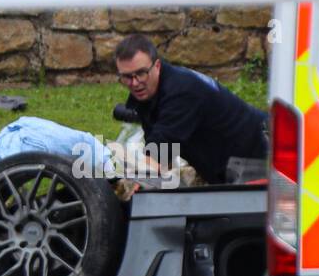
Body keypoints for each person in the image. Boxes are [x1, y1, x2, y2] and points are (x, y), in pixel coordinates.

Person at [114, 34, 268, 184]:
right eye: (126, 77)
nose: (134, 83)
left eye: (141, 73)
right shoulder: (146, 94)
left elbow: (157, 158)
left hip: (264, 155)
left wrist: (129, 184)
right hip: (228, 163)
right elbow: (160, 153)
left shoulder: (181, 92)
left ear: (157, 66)